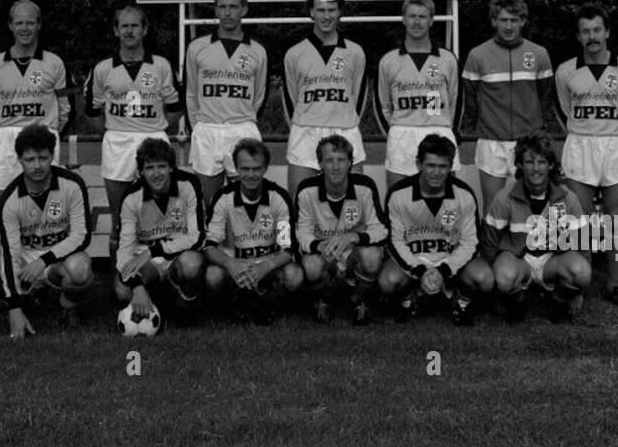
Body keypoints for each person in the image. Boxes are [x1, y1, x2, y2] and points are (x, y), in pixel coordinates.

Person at [554, 4, 618, 307]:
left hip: (616, 145)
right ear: (578, 36)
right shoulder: (566, 70)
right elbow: (561, 110)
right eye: (585, 31)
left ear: (607, 32)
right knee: (578, 218)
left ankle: (615, 284)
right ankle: (580, 280)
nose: (591, 36)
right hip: (581, 144)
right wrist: (582, 133)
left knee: (616, 218)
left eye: (596, 30)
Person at [0, 124, 93, 339]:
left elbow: (82, 236)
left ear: (52, 156)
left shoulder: (72, 184)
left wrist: (43, 260)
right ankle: (13, 298)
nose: (37, 166)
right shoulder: (10, 198)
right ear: (19, 160)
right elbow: (10, 253)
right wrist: (13, 308)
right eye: (30, 159)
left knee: (80, 270)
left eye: (43, 158)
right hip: (24, 258)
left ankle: (68, 304)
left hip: (57, 259)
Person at [85, 5, 181, 261]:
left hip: (154, 139)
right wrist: (114, 131)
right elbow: (93, 112)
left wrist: (152, 128)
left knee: (160, 214)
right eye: (124, 26)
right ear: (116, 30)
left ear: (145, 29)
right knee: (119, 219)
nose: (129, 31)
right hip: (117, 142)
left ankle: (162, 273)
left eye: (135, 25)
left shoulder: (161, 65)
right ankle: (120, 277)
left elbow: (174, 109)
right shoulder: (103, 68)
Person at [462, 0, 556, 216]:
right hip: (491, 141)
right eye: (503, 20)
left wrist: (536, 129)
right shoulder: (478, 55)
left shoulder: (539, 53)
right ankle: (492, 252)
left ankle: (530, 251)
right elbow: (470, 99)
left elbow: (546, 96)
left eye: (514, 20)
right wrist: (482, 126)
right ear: (494, 21)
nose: (508, 26)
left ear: (523, 21)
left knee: (530, 207)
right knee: (493, 207)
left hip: (527, 143)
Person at [381, 134, 490, 325]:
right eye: (430, 165)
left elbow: (471, 242)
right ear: (418, 164)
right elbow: (394, 241)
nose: (436, 172)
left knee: (484, 278)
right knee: (388, 281)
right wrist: (421, 270)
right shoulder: (399, 194)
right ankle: (410, 298)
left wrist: (445, 271)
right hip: (415, 260)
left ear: (450, 167)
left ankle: (460, 300)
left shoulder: (463, 194)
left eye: (443, 166)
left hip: (450, 261)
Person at [484, 132, 591, 322]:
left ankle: (556, 301)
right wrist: (497, 290)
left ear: (551, 165)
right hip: (519, 260)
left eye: (541, 162)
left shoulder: (567, 198)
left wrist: (578, 292)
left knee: (582, 272)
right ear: (519, 165)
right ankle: (517, 299)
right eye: (529, 162)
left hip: (552, 260)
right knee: (503, 277)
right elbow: (489, 243)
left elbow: (582, 243)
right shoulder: (504, 197)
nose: (535, 169)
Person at [183, 0, 269, 209]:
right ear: (215, 9)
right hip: (207, 130)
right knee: (209, 204)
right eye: (222, 7)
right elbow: (190, 93)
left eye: (233, 6)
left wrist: (243, 119)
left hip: (242, 129)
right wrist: (198, 127)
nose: (228, 12)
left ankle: (243, 244)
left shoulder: (258, 51)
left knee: (247, 204)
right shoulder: (197, 47)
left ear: (244, 9)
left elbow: (259, 96)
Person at [282, 0, 368, 198]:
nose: (326, 16)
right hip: (305, 131)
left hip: (345, 130)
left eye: (332, 10)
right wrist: (306, 118)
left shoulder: (355, 52)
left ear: (340, 12)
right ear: (311, 12)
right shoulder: (294, 53)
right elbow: (290, 99)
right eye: (321, 10)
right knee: (299, 202)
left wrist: (344, 117)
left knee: (352, 202)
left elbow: (359, 97)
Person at [294, 134, 388, 325]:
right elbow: (300, 232)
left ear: (350, 163)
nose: (335, 166)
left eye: (341, 160)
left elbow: (382, 229)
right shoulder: (306, 189)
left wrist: (353, 237)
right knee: (311, 265)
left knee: (372, 257)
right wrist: (318, 246)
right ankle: (324, 300)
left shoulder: (365, 186)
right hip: (325, 251)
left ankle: (359, 300)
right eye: (329, 160)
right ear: (319, 163)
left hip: (354, 251)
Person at [204, 139, 301, 324]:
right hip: (235, 264)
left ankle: (270, 304)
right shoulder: (223, 197)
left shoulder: (278, 197)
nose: (251, 174)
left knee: (294, 275)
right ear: (237, 169)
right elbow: (209, 246)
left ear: (265, 168)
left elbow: (287, 249)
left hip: (267, 263)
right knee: (213, 275)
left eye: (256, 169)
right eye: (245, 168)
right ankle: (230, 305)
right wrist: (229, 263)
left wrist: (266, 266)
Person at [0, 0, 73, 196]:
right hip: (5, 142)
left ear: (39, 25)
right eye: (19, 23)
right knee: (2, 213)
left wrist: (51, 135)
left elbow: (67, 108)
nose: (25, 28)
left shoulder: (56, 63)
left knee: (44, 214)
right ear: (10, 25)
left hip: (44, 140)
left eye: (30, 23)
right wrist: (3, 130)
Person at [115, 138, 207, 326]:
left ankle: (185, 309)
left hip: (178, 257)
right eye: (149, 168)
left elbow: (197, 237)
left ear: (171, 168)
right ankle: (150, 297)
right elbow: (123, 251)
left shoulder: (188, 184)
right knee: (123, 291)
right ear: (141, 171)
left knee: (192, 264)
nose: (156, 174)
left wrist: (154, 250)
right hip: (147, 262)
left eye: (162, 166)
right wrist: (137, 286)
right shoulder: (132, 197)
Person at [374, 0, 462, 183]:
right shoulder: (388, 60)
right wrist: (394, 130)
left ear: (431, 21)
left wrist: (446, 128)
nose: (417, 22)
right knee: (398, 199)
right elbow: (383, 104)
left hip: (440, 131)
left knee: (444, 202)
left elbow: (456, 101)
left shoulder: (448, 59)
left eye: (422, 17)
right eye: (412, 16)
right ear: (403, 19)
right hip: (401, 134)